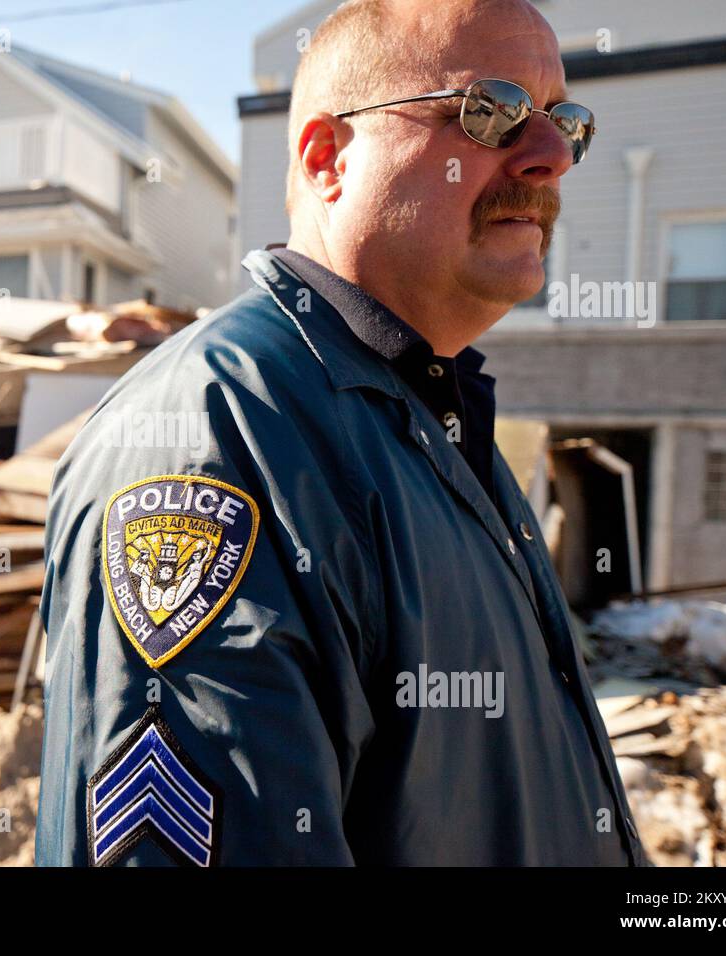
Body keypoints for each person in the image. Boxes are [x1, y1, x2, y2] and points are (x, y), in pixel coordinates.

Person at [34, 0, 647, 866]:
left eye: (565, 122)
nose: (550, 157)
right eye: (493, 109)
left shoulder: (432, 426)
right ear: (328, 157)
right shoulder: (219, 434)